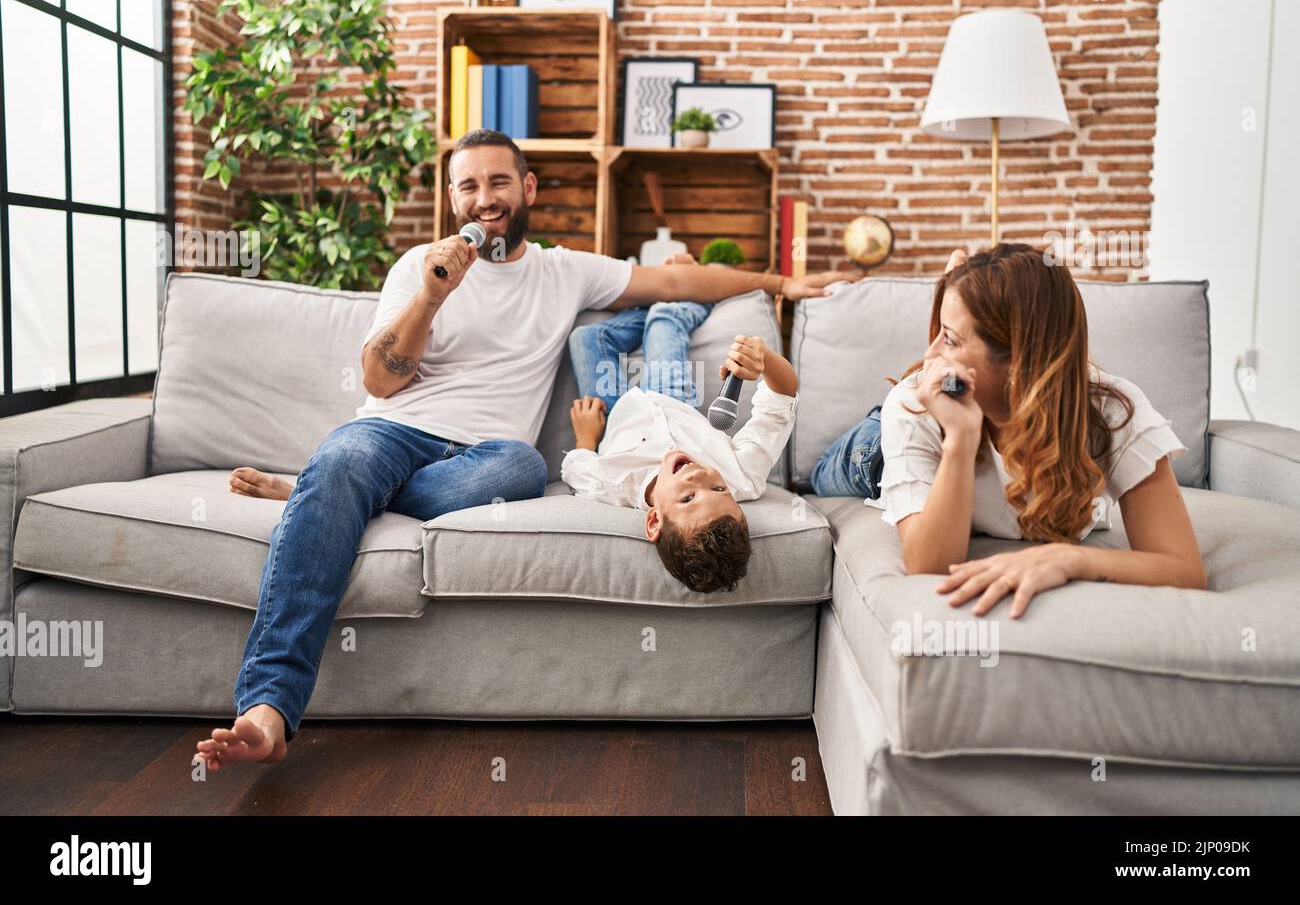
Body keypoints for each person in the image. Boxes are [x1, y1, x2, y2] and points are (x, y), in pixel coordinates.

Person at [195, 128, 864, 772]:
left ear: (528, 189)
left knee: (524, 466)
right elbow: (378, 379)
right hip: (393, 432)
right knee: (344, 460)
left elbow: (675, 285)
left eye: (498, 182)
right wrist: (433, 295)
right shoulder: (418, 267)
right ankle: (269, 708)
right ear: (452, 199)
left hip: (489, 454)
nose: (484, 198)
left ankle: (327, 496)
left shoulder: (563, 271)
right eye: (468, 187)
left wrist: (777, 286)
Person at [810, 243, 1206, 619]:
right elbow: (928, 566)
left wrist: (1069, 560)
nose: (929, 355)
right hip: (877, 452)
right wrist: (962, 439)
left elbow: (1183, 570)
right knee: (821, 472)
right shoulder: (912, 405)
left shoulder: (1112, 412)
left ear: (1020, 361)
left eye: (948, 339)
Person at [563, 333, 798, 593]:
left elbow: (576, 468)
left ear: (654, 521)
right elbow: (779, 405)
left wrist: (586, 437)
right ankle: (689, 297)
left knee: (586, 339)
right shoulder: (743, 478)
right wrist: (764, 358)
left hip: (613, 412)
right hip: (673, 398)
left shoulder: (609, 484)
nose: (699, 478)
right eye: (719, 489)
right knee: (665, 318)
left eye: (687, 499)